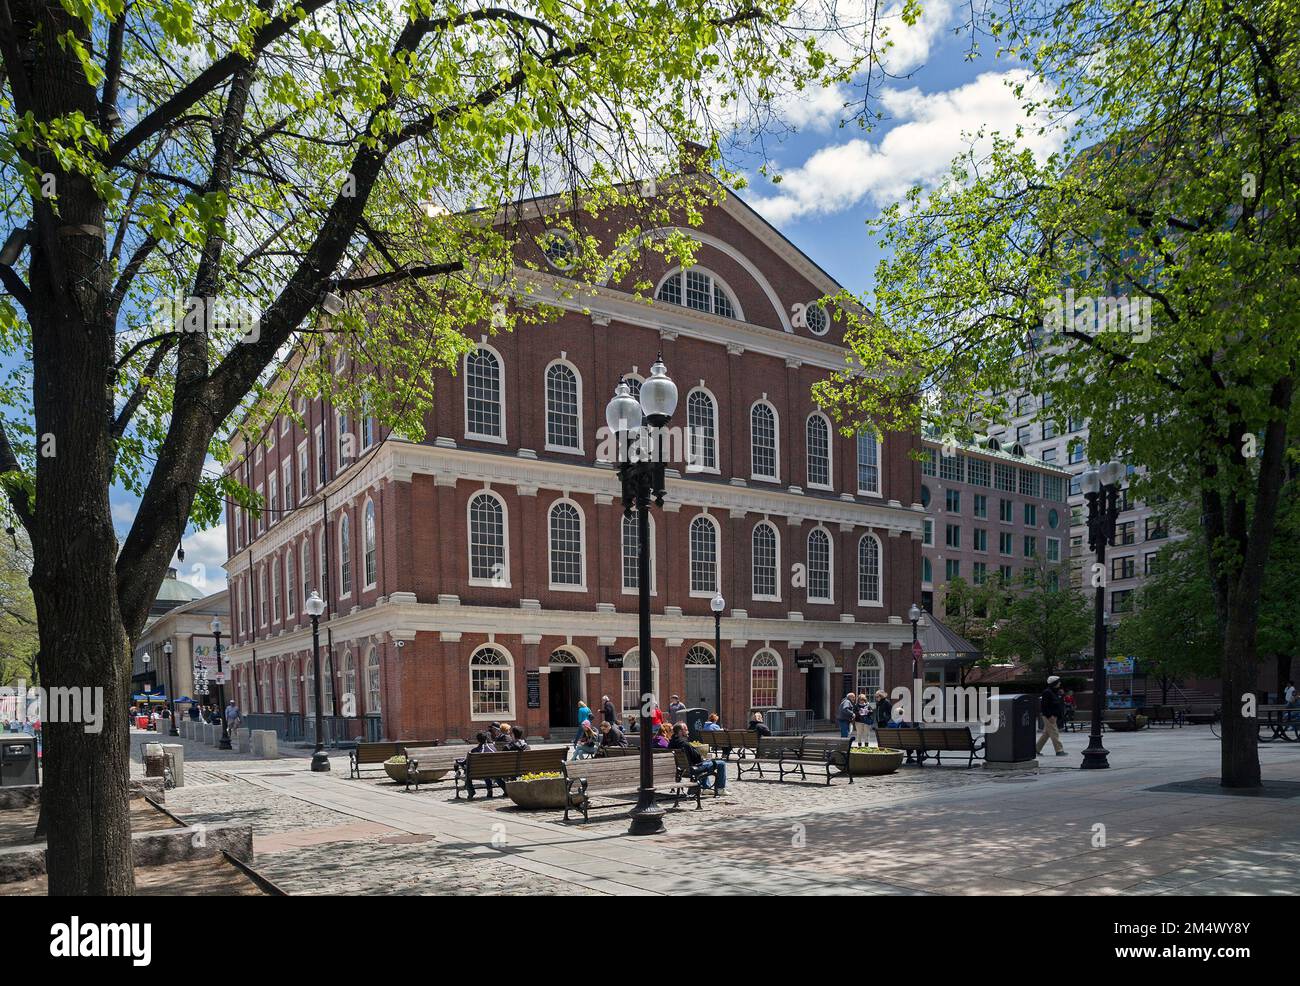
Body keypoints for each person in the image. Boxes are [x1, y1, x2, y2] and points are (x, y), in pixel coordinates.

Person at [668, 722, 727, 793]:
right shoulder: (685, 744)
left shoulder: (671, 743)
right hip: (692, 769)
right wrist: (704, 759)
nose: (688, 731)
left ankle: (706, 787)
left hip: (680, 770)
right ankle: (720, 789)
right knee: (721, 763)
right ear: (680, 732)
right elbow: (698, 759)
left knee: (705, 763)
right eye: (686, 730)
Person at [460, 732, 506, 799]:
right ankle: (505, 789)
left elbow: (465, 762)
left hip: (478, 773)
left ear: (478, 740)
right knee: (492, 772)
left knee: (468, 773)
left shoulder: (474, 751)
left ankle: (471, 791)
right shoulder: (493, 749)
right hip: (494, 771)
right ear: (486, 739)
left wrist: (459, 762)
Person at [1036, 675, 1068, 757]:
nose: (1060, 683)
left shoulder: (1054, 692)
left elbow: (1058, 704)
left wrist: (1061, 695)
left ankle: (1036, 749)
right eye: (1058, 682)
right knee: (1054, 732)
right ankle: (1059, 750)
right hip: (1049, 716)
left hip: (1053, 716)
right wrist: (1050, 716)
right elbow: (1044, 706)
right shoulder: (1047, 692)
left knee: (1046, 734)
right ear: (1055, 683)